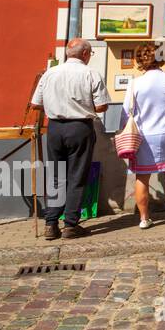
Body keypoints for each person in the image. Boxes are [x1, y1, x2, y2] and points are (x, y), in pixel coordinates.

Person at [29, 38, 109, 240]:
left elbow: (35, 104)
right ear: (85, 54)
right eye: (90, 54)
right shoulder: (91, 74)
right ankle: (71, 225)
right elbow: (102, 106)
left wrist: (56, 105)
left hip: (55, 128)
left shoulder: (50, 73)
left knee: (57, 176)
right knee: (76, 176)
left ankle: (51, 224)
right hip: (79, 127)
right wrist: (80, 106)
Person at [123, 43, 165, 228]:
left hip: (143, 135)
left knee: (142, 177)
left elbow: (126, 112)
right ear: (161, 58)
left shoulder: (135, 83)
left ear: (140, 60)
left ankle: (144, 219)